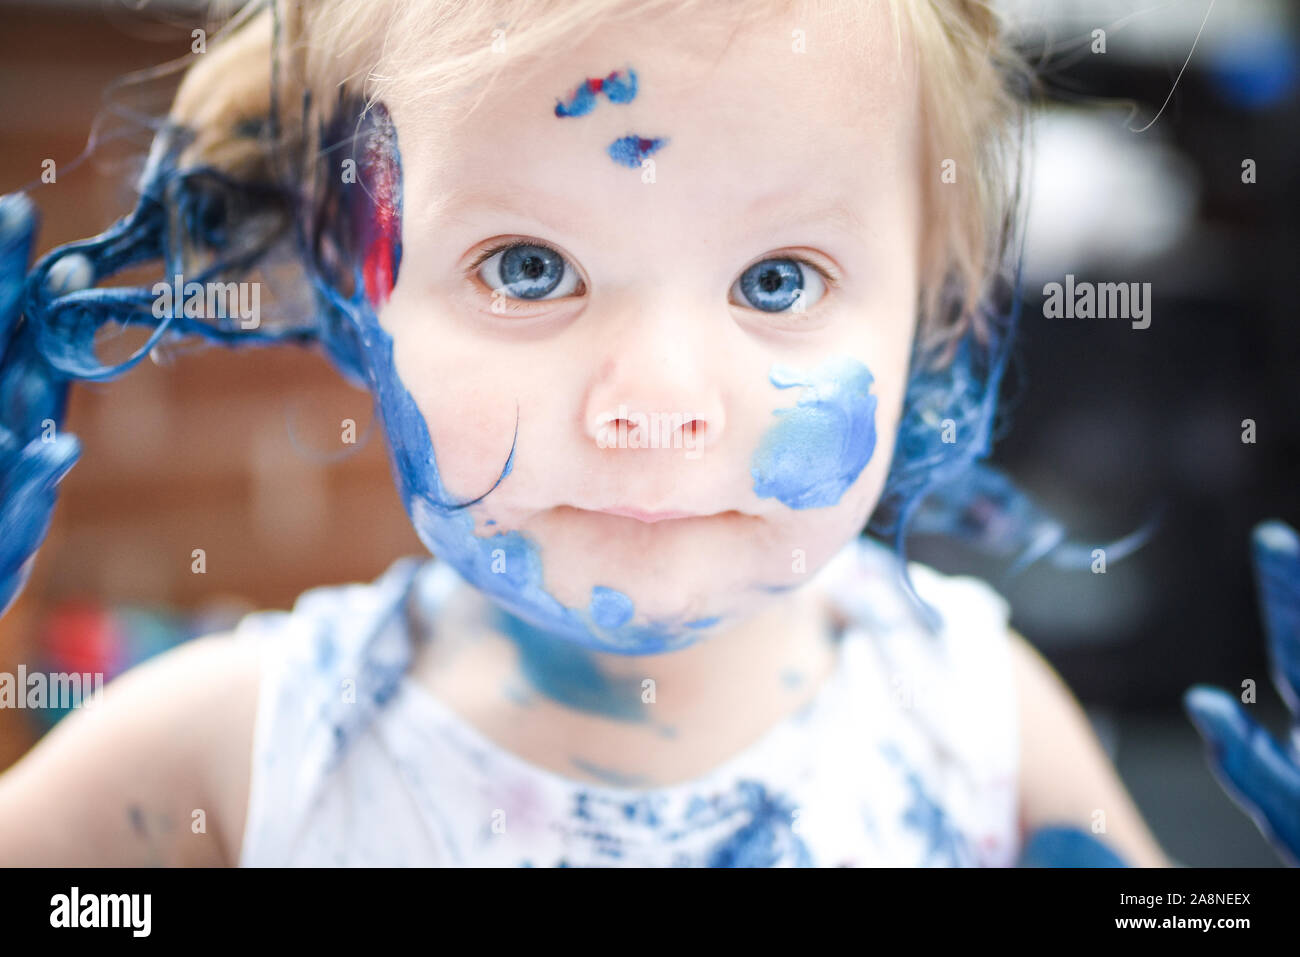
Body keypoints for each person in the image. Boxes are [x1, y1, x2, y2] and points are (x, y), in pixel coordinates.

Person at [0, 0, 1280, 867]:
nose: (656, 403)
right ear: (353, 288)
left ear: (933, 313)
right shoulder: (226, 754)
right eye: (528, 267)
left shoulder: (981, 725)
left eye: (776, 281)